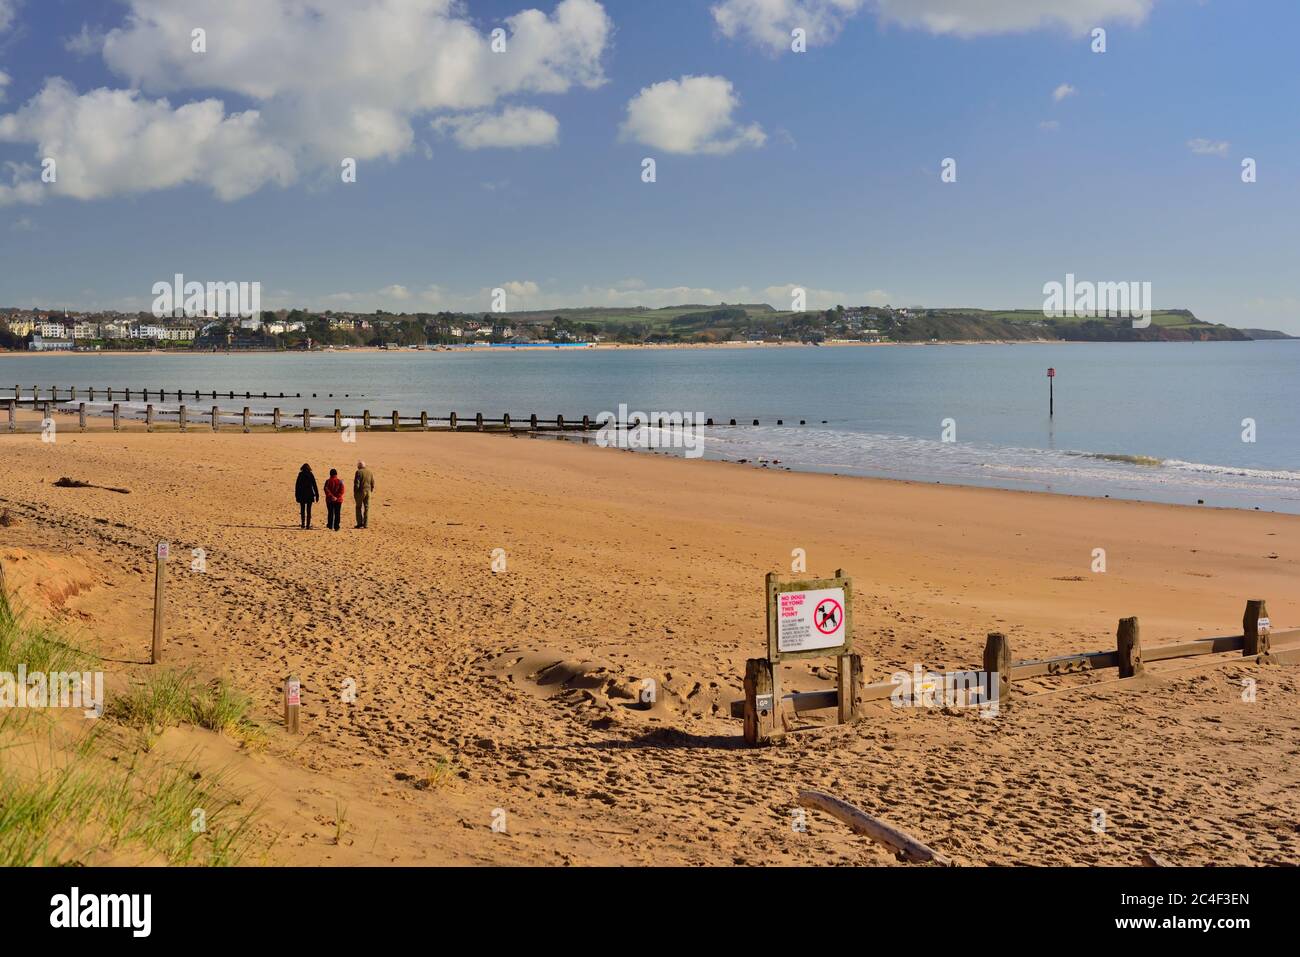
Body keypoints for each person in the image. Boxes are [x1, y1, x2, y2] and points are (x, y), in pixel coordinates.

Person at [295, 463, 320, 529]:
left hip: (302, 495)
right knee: (309, 511)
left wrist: (296, 495)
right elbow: (314, 485)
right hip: (309, 495)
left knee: (302, 510)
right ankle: (308, 525)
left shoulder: (300, 474)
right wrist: (317, 495)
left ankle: (303, 524)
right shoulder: (310, 474)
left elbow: (297, 486)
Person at [353, 460, 376, 528]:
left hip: (361, 491)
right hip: (368, 491)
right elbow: (373, 482)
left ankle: (359, 523)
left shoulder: (358, 472)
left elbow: (357, 484)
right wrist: (371, 490)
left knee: (358, 507)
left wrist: (355, 492)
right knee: (366, 508)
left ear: (359, 466)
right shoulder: (370, 472)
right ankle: (366, 524)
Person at [323, 468, 345, 532]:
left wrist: (332, 496)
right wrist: (336, 497)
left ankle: (330, 525)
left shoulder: (328, 481)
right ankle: (336, 526)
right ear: (336, 474)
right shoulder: (340, 481)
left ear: (330, 474)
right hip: (338, 500)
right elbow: (342, 491)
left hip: (330, 500)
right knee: (337, 513)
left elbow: (326, 489)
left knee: (330, 513)